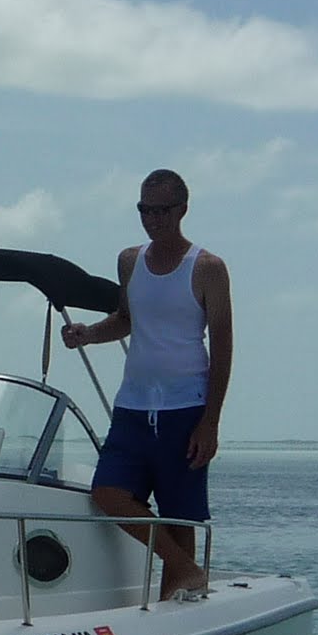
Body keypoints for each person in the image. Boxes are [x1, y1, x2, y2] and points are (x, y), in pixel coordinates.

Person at [61, 169, 233, 599]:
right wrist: (88, 333)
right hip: (133, 406)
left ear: (181, 210)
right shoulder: (129, 260)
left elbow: (225, 346)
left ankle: (182, 596)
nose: (152, 219)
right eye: (144, 209)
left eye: (161, 210)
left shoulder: (208, 268)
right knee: (108, 493)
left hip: (185, 407)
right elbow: (127, 319)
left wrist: (210, 422)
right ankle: (184, 569)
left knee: (180, 514)